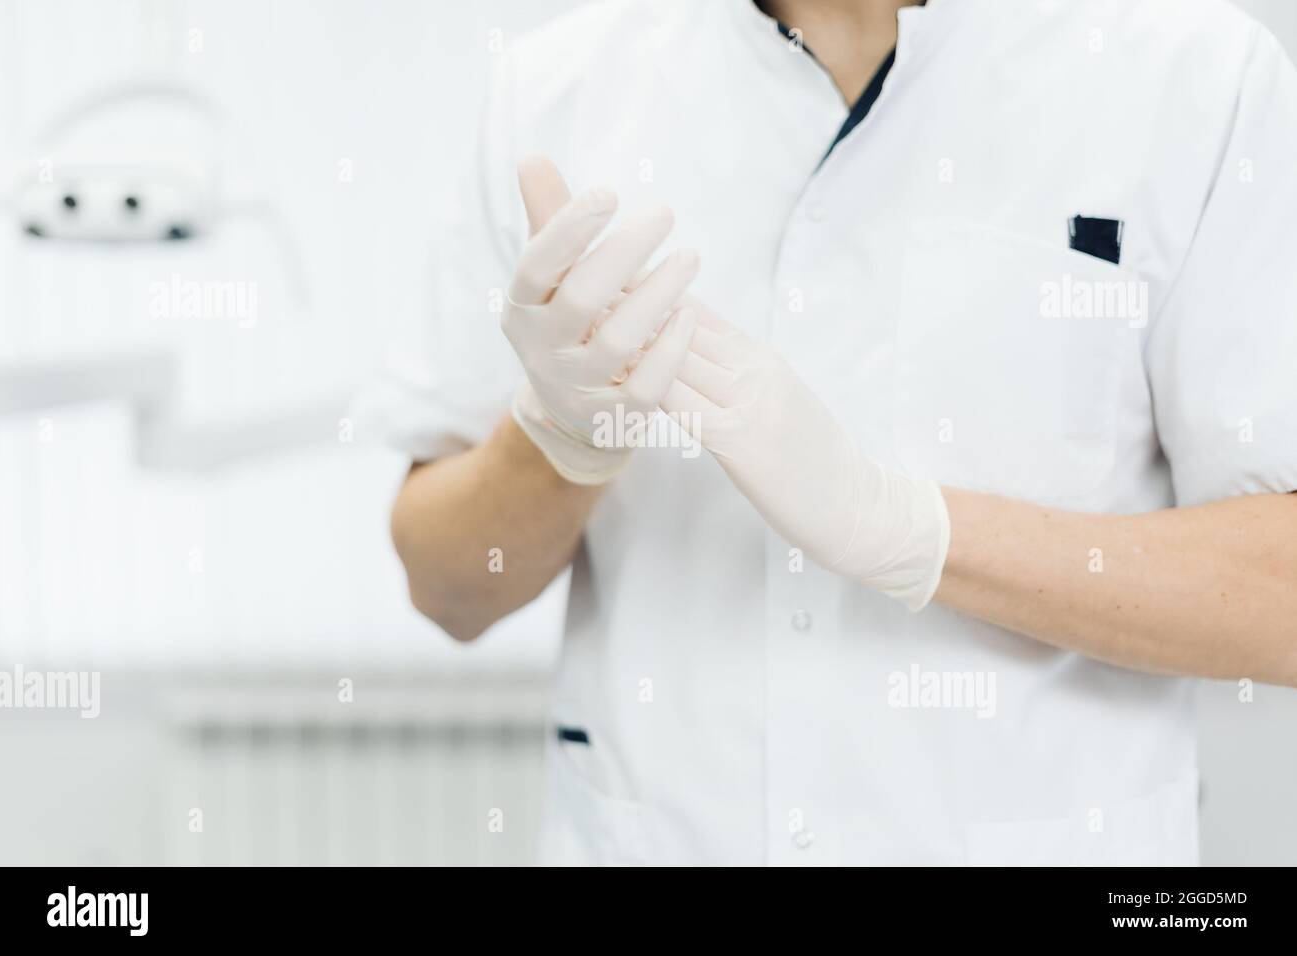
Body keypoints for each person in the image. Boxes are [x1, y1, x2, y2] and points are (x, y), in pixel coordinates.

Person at [369, 0, 1297, 864]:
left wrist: (908, 530)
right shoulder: (560, 87)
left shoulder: (1195, 76)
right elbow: (448, 591)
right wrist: (562, 439)